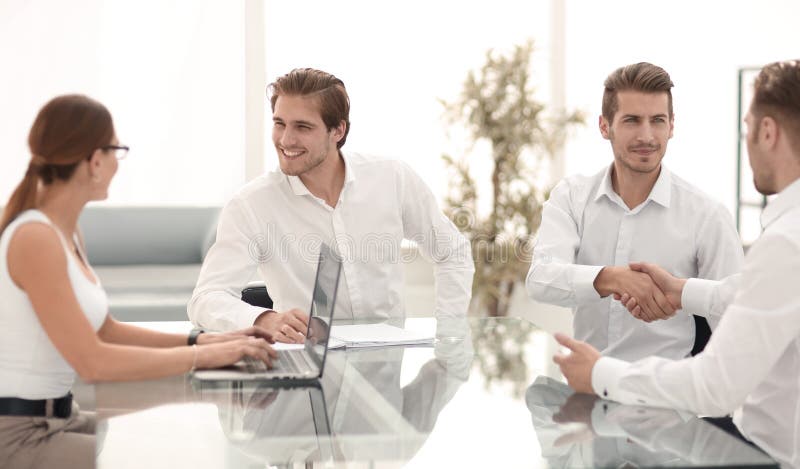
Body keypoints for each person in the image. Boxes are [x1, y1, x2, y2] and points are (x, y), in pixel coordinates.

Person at [0, 95, 277, 469]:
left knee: (179, 441)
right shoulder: (35, 238)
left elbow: (105, 330)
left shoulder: (65, 232)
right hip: (22, 436)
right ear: (95, 160)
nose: (118, 163)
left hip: (63, 417)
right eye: (117, 150)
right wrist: (206, 356)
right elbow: (93, 362)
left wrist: (203, 339)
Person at [553, 59, 800, 468]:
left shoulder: (784, 240)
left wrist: (601, 375)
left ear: (767, 132)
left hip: (765, 456)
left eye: (747, 129)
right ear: (606, 126)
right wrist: (682, 290)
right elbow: (754, 293)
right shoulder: (790, 236)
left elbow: (716, 385)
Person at [188, 68, 474, 342]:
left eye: (303, 127)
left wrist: (448, 336)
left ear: (337, 130)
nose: (286, 140)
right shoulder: (251, 205)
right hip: (304, 373)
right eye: (279, 124)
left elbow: (452, 251)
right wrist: (264, 320)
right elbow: (206, 298)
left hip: (384, 374)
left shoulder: (392, 178)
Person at [526, 62, 743, 361]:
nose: (647, 136)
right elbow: (540, 279)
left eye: (657, 120)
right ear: (605, 126)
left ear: (672, 125)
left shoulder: (707, 214)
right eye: (631, 120)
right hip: (586, 389)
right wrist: (614, 278)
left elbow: (737, 319)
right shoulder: (571, 197)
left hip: (668, 395)